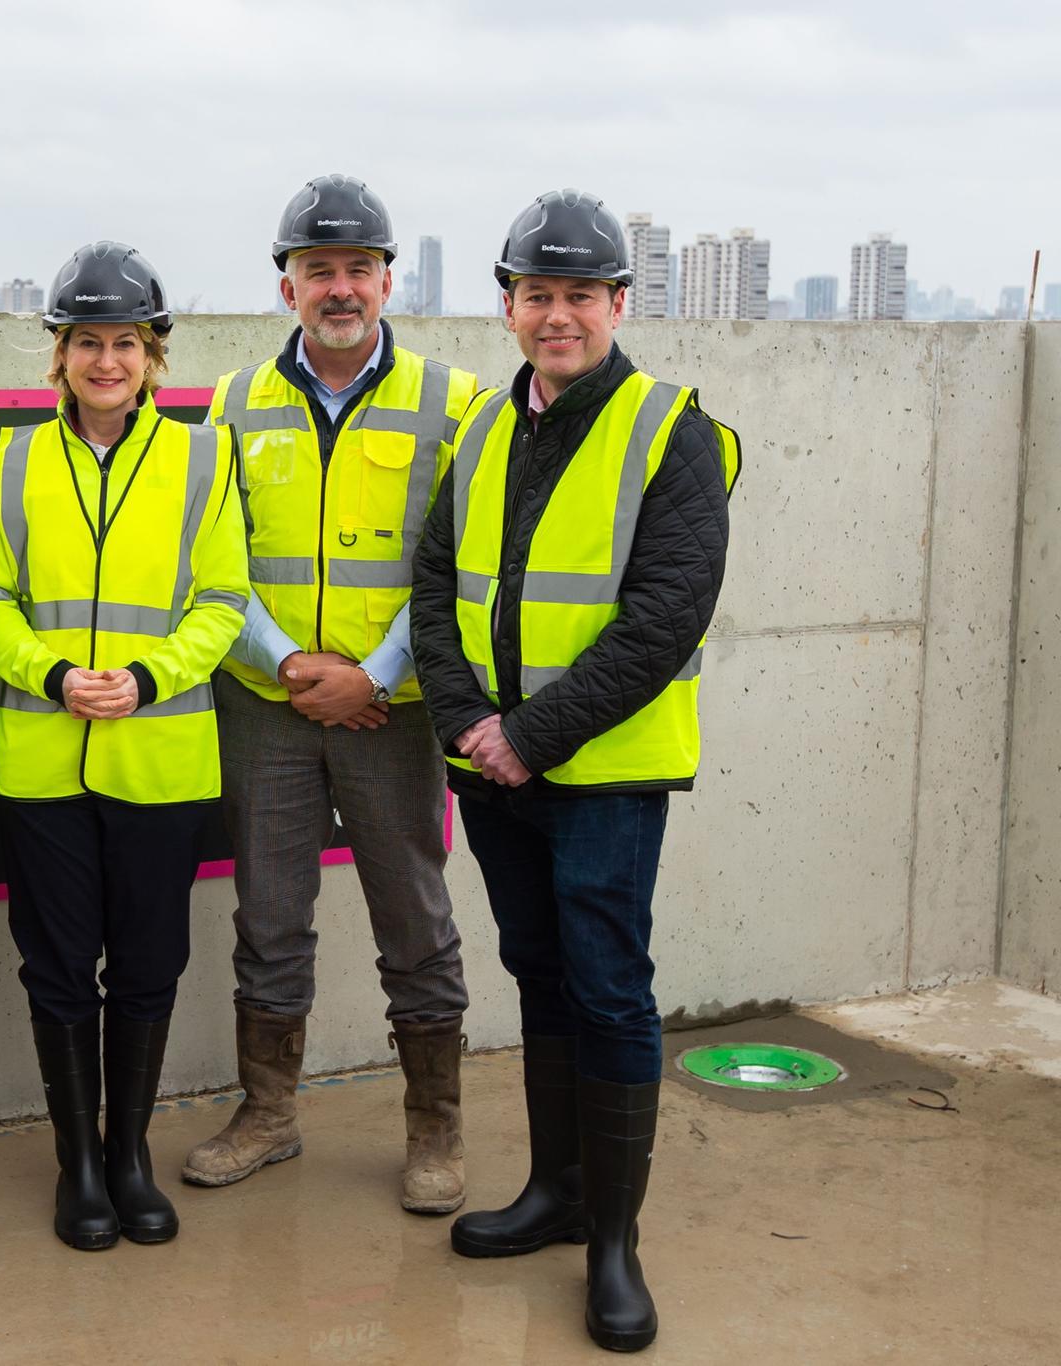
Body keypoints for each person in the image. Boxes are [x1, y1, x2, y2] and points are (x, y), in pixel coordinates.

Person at [411, 188, 739, 1352]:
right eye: (534, 295)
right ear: (506, 307)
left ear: (615, 302)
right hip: (494, 768)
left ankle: (613, 1238)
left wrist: (529, 734)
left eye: (577, 297)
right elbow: (435, 592)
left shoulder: (671, 429)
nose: (557, 316)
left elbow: (661, 617)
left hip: (599, 771)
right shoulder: (483, 430)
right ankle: (554, 1191)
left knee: (606, 984)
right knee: (537, 971)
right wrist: (465, 721)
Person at [183, 175, 480, 1216]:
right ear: (285, 288)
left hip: (390, 714)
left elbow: (453, 565)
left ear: (388, 280)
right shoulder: (228, 405)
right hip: (266, 706)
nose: (339, 288)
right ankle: (266, 1114)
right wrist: (286, 670)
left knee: (414, 919)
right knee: (268, 915)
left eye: (358, 269)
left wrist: (374, 675)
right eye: (318, 271)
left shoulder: (454, 402)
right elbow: (210, 556)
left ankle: (434, 1130)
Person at [0, 241, 248, 1250]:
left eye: (123, 342)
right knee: (54, 966)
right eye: (85, 342)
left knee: (145, 962)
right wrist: (48, 673)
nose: (104, 361)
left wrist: (146, 678)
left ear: (152, 355)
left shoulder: (201, 459)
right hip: (42, 763)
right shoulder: (12, 462)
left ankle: (127, 1152)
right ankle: (75, 1165)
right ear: (59, 355)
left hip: (157, 762)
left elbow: (222, 601)